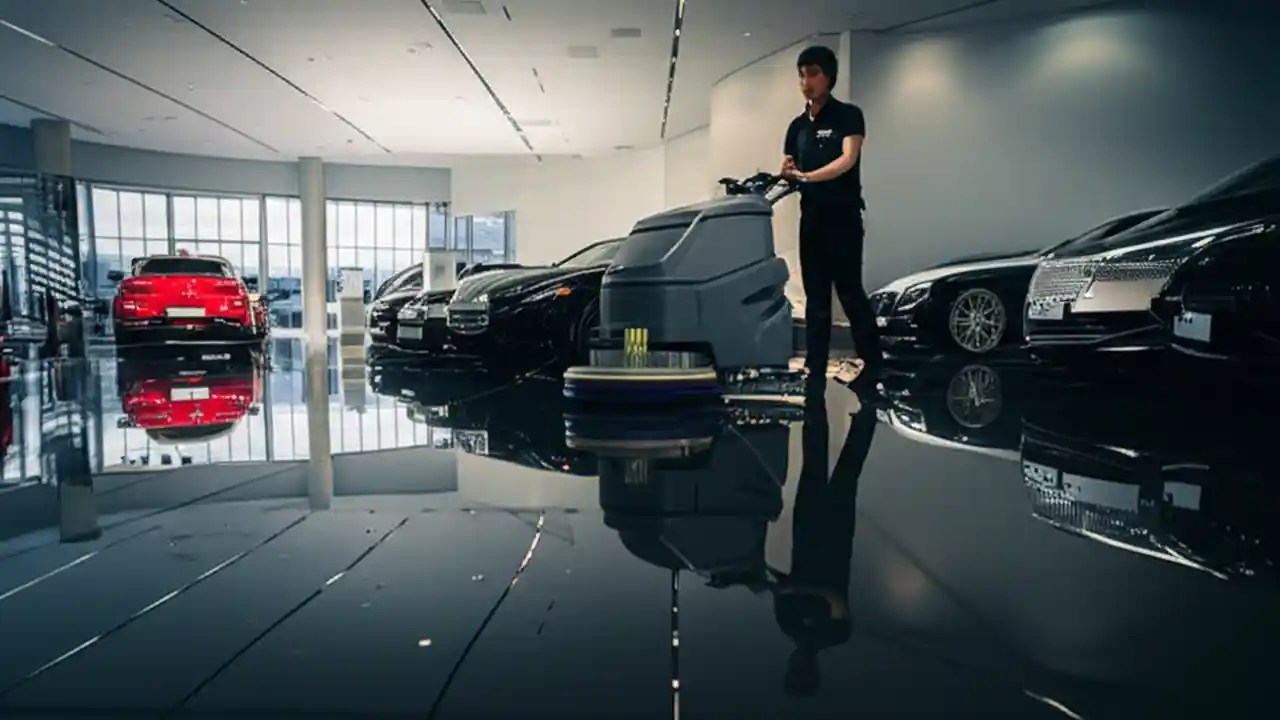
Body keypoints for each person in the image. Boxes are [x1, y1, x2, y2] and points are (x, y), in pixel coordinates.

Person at [782, 46, 882, 383]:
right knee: (816, 297)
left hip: (843, 218)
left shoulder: (848, 115)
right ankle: (815, 365)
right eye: (801, 74)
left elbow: (847, 159)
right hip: (811, 219)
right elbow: (791, 167)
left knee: (850, 292)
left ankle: (874, 364)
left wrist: (809, 176)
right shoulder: (796, 126)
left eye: (812, 73)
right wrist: (788, 171)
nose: (805, 81)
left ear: (829, 76)